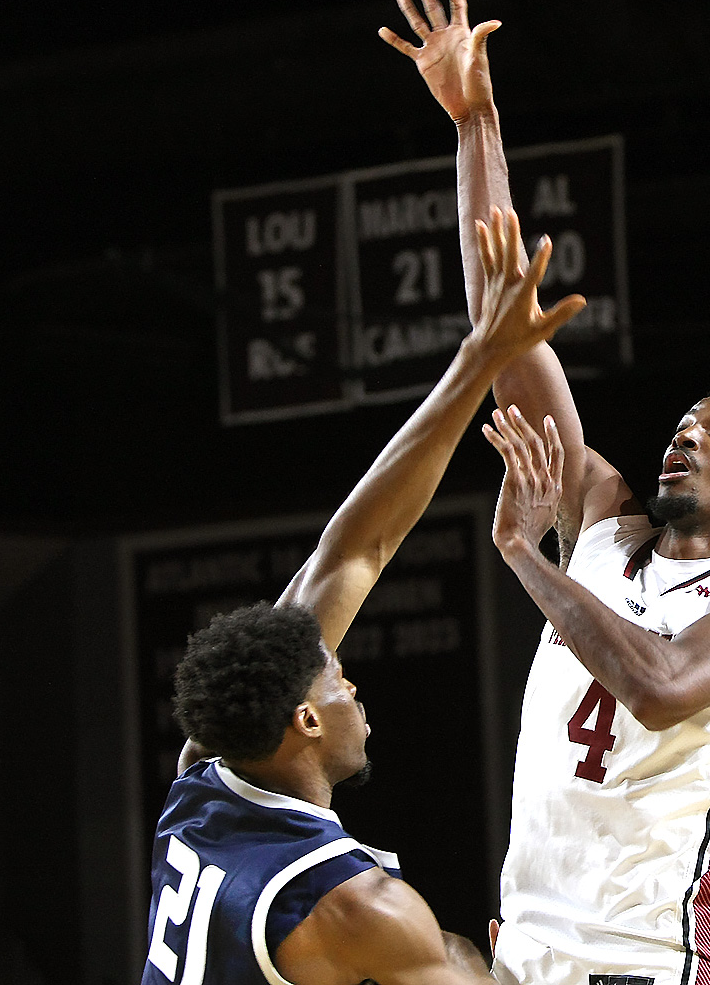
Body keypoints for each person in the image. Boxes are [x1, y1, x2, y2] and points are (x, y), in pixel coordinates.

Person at [381, 0, 710, 985]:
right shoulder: (603, 519)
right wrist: (474, 121)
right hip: (529, 951)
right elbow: (503, 322)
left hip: (648, 961)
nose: (685, 436)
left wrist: (524, 554)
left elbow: (659, 687)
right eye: (682, 424)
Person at [141, 213, 585, 985]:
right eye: (338, 680)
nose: (352, 687)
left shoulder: (206, 781)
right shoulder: (355, 905)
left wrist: (481, 357)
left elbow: (355, 548)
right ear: (307, 720)